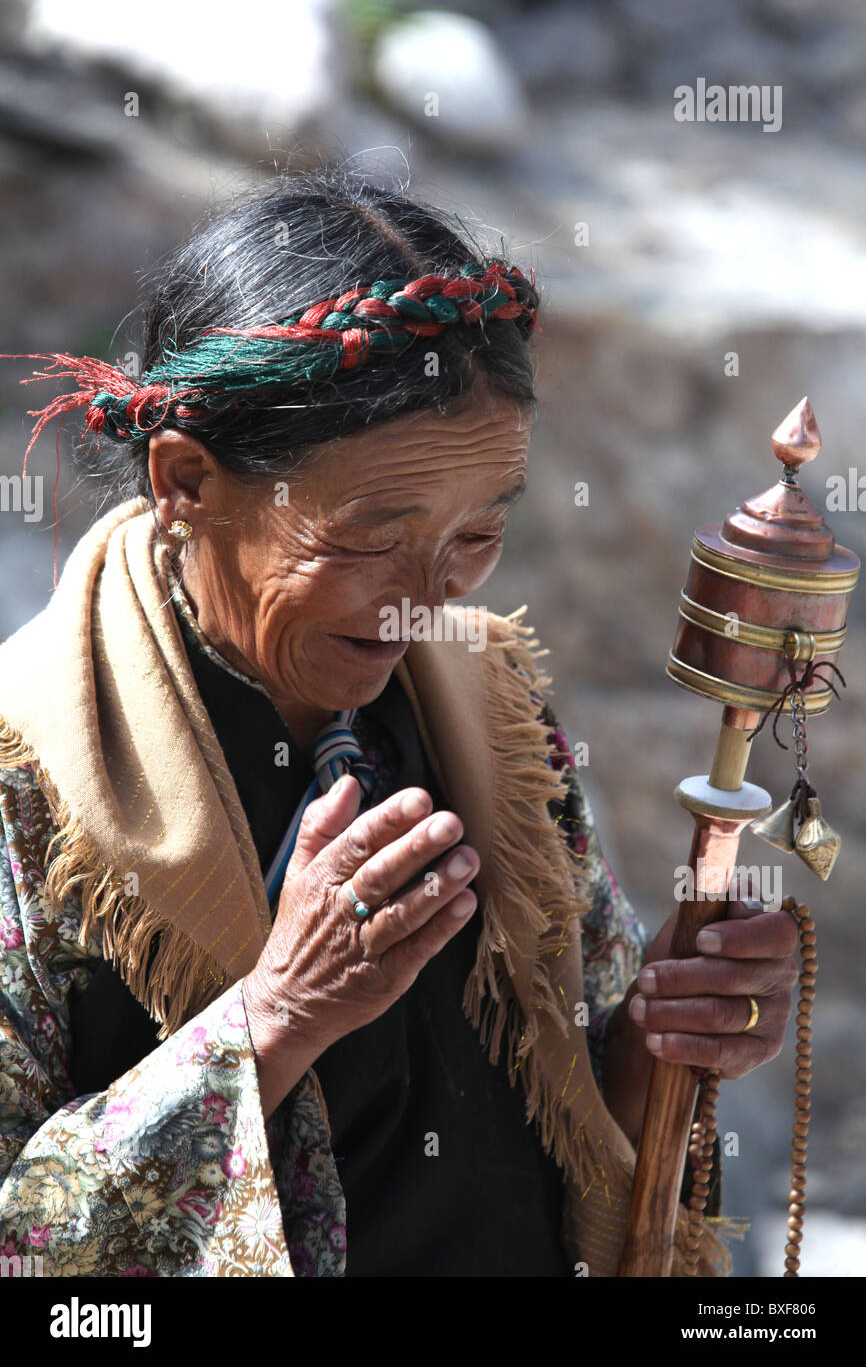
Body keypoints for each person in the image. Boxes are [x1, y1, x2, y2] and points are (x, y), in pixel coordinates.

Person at [0, 168, 799, 1277]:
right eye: (370, 536)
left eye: (477, 536)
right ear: (187, 480)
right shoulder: (27, 783)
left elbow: (574, 1124)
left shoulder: (489, 711)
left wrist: (666, 1038)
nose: (429, 601)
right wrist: (273, 1020)